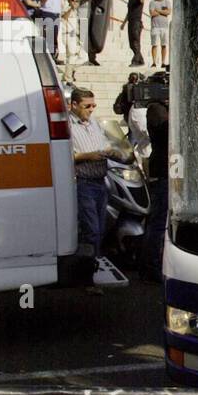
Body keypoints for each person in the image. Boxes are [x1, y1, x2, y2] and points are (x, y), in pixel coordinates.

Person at [68, 88, 129, 293]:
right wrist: (88, 156)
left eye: (93, 105)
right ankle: (86, 279)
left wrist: (111, 152)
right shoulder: (68, 125)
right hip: (83, 182)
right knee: (91, 231)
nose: (91, 110)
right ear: (74, 105)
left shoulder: (93, 123)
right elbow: (67, 155)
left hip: (100, 181)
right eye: (87, 106)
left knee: (100, 230)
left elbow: (104, 145)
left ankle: (90, 270)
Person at [142, 74, 170, 283]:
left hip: (173, 169)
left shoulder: (164, 108)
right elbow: (165, 131)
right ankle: (151, 265)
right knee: (159, 222)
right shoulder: (156, 109)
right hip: (162, 172)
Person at [113, 0, 146, 67]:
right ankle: (141, 60)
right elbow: (129, 12)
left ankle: (135, 61)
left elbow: (142, 1)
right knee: (132, 44)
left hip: (136, 22)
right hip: (130, 22)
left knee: (135, 42)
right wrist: (123, 23)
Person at [38, 0, 63, 64]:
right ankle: (47, 58)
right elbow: (41, 2)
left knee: (54, 37)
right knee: (48, 36)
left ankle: (54, 56)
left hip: (56, 15)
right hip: (46, 14)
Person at [148, 0, 172, 69]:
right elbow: (152, 13)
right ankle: (154, 62)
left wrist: (158, 11)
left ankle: (163, 62)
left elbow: (168, 12)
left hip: (164, 27)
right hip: (155, 27)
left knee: (164, 45)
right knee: (154, 44)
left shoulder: (167, 2)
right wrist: (162, 12)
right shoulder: (152, 2)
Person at [60, 0, 82, 71]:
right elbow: (64, 17)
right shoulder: (66, 8)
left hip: (74, 35)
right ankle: (68, 76)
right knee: (72, 56)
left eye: (76, 1)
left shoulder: (76, 11)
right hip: (67, 34)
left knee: (80, 57)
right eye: (72, 0)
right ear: (69, 1)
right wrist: (71, 9)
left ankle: (69, 73)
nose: (74, 2)